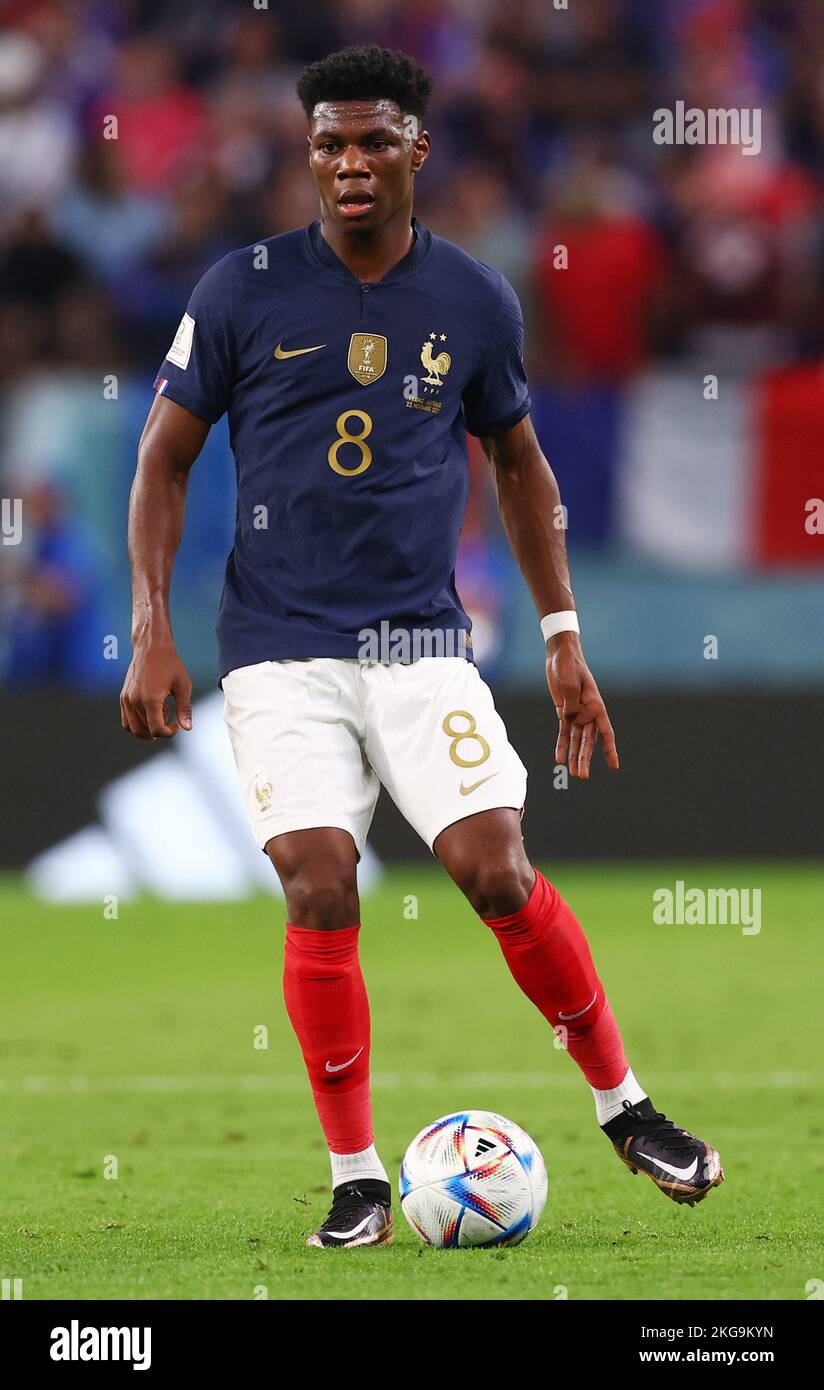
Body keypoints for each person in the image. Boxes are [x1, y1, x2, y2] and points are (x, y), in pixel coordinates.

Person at [120, 45, 723, 1250]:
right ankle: (355, 1177)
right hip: (279, 647)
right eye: (329, 144)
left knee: (494, 866)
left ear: (415, 149)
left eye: (372, 141)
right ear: (310, 155)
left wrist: (561, 637)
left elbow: (518, 463)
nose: (349, 163)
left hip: (419, 641)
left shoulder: (474, 300)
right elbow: (163, 459)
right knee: (317, 879)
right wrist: (150, 628)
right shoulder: (239, 289)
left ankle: (625, 1107)